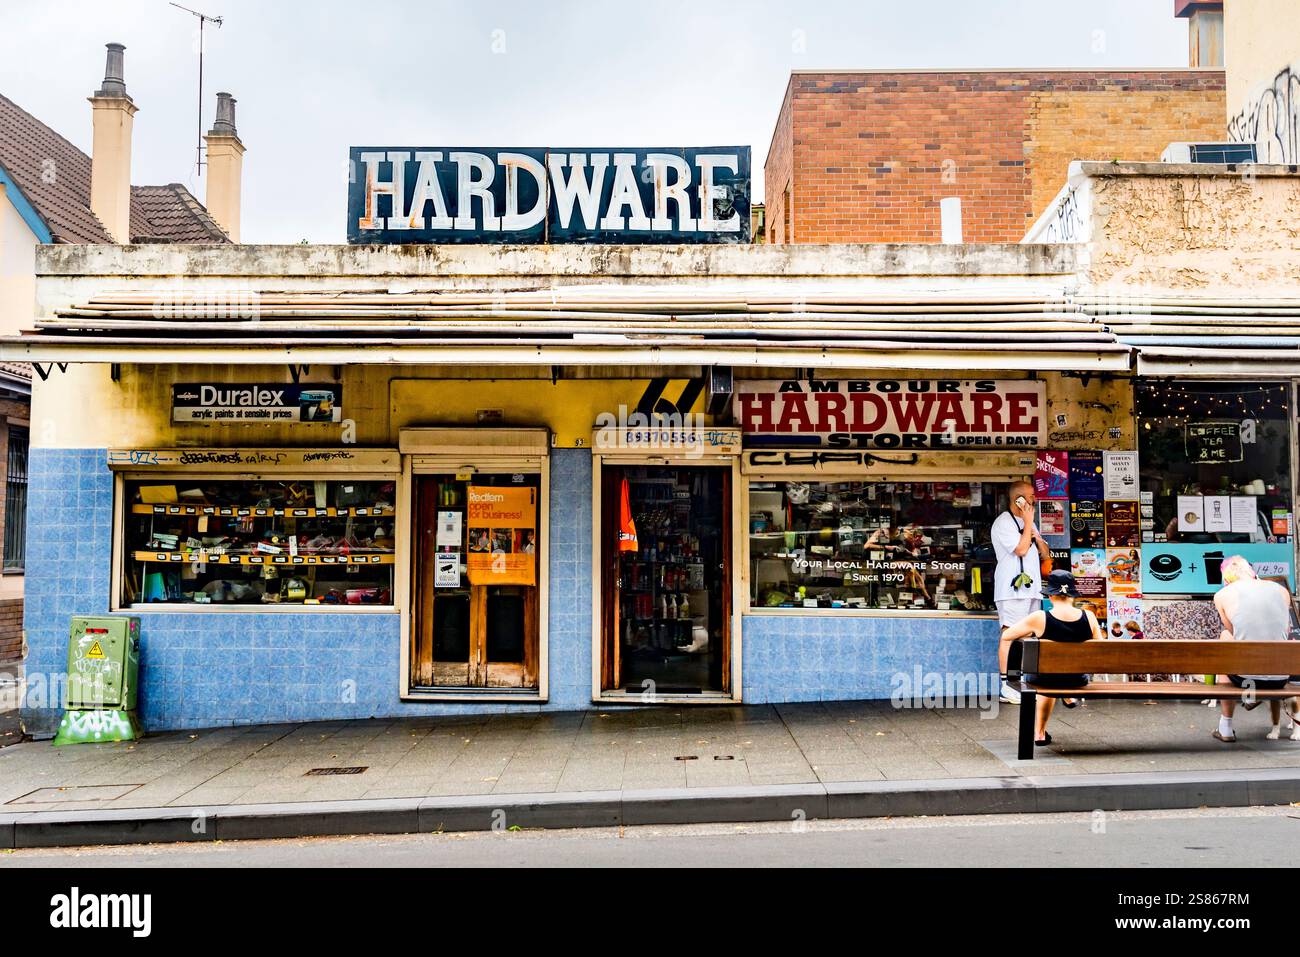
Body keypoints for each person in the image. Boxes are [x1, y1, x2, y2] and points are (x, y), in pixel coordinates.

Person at [1001, 570, 1102, 746]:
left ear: (1051, 596)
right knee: (1055, 675)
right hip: (1076, 679)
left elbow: (1007, 635)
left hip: (1045, 678)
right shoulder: (1089, 617)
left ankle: (1039, 733)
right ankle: (1067, 696)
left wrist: (1033, 634)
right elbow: (1100, 649)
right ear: (1072, 596)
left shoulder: (1039, 617)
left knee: (1046, 677)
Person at [1210, 555, 1299, 742]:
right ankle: (1251, 695)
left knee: (1224, 638)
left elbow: (1234, 631)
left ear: (1226, 580)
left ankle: (1226, 727)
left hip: (1246, 678)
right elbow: (1286, 629)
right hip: (1280, 677)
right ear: (1253, 573)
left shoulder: (1222, 595)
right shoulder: (1281, 591)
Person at [994, 480, 1051, 703]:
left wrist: (1034, 532)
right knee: (1009, 633)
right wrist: (1028, 524)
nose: (1034, 500)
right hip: (1011, 589)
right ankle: (1005, 684)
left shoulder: (1029, 523)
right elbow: (1020, 549)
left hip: (1032, 589)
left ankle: (1021, 682)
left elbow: (1044, 553)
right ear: (1017, 499)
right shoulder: (1003, 523)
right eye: (1030, 496)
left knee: (1028, 636)